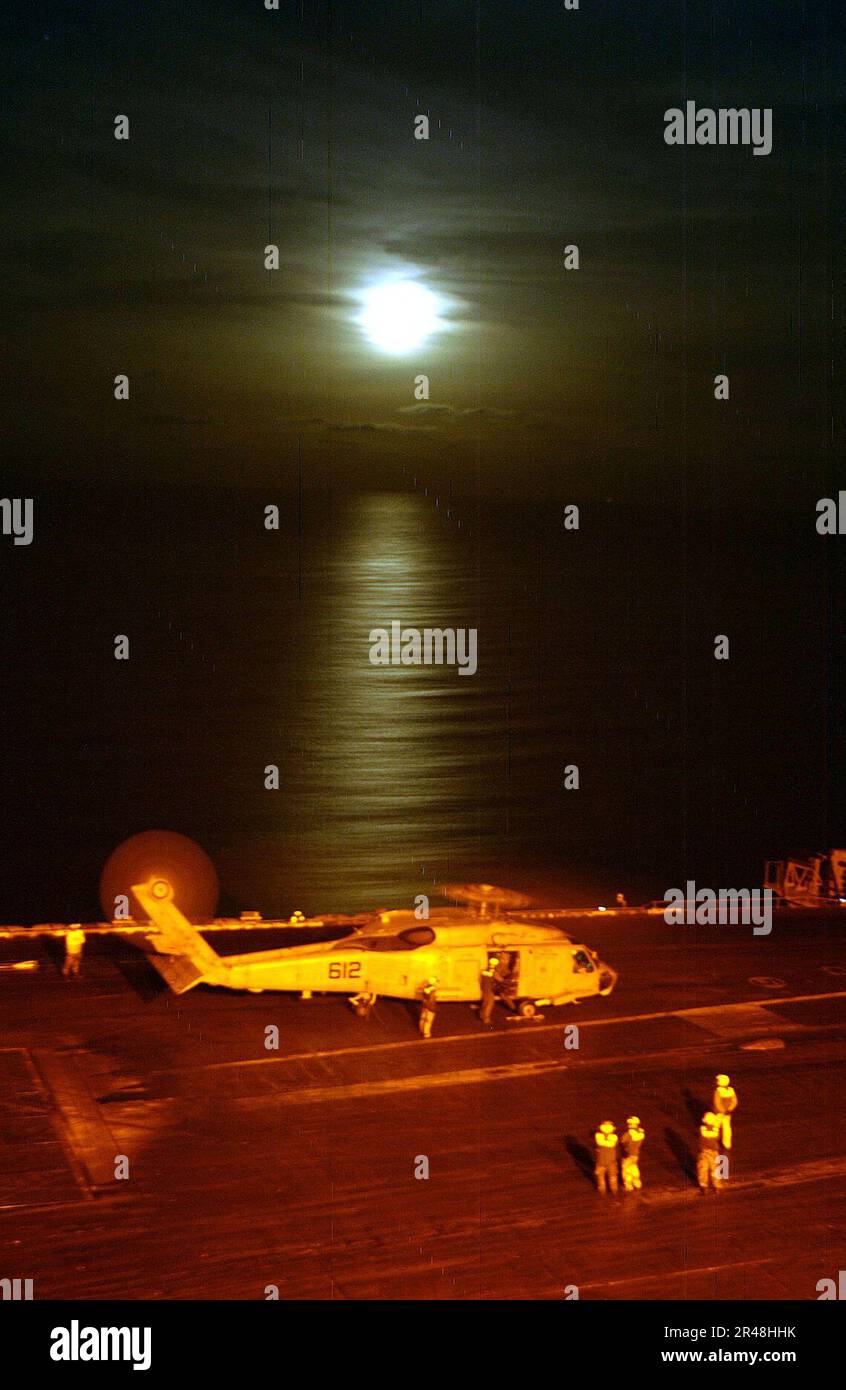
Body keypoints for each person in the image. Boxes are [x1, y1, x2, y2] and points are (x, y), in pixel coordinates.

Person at [697, 1111, 724, 1192]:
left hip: (703, 1152)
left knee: (702, 1169)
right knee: (715, 1169)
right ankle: (716, 1185)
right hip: (713, 1152)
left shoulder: (702, 1129)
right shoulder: (715, 1130)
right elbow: (717, 1137)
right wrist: (717, 1125)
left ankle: (703, 1185)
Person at [712, 1073, 738, 1150]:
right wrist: (729, 1109)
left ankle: (713, 1141)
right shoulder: (731, 1091)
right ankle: (727, 1144)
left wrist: (722, 1110)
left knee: (715, 1127)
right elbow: (734, 1101)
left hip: (719, 1113)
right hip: (727, 1113)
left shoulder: (718, 1091)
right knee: (727, 1127)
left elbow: (717, 1103)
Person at [621, 1116, 645, 1191]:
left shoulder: (628, 1134)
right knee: (634, 1168)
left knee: (627, 1170)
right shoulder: (641, 1133)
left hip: (628, 1154)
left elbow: (622, 1141)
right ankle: (637, 1183)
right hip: (635, 1154)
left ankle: (628, 1185)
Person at [594, 1121, 619, 1194]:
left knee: (604, 1178)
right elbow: (609, 1144)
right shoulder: (613, 1137)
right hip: (608, 1162)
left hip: (604, 1162)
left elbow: (603, 1143)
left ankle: (607, 1190)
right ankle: (612, 1190)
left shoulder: (599, 1136)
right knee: (611, 1178)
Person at [479, 956, 498, 1024]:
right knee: (489, 1004)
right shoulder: (493, 972)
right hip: (490, 990)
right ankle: (486, 1019)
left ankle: (481, 1016)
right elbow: (499, 979)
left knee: (484, 1003)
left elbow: (480, 980)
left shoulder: (483, 970)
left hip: (484, 989)